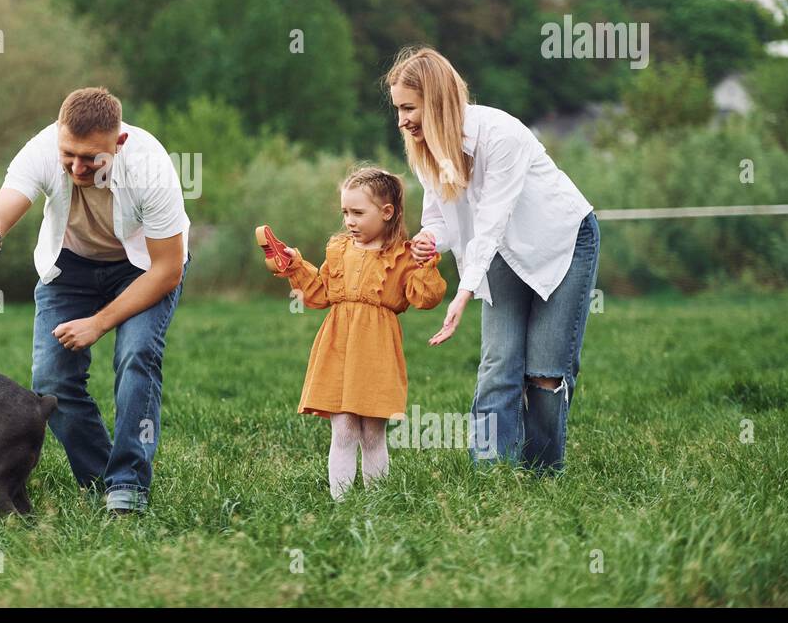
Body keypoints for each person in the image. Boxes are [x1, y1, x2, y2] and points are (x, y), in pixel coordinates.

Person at [0, 87, 190, 514]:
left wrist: (99, 323)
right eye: (69, 154)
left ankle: (128, 487)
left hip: (143, 268)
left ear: (118, 143)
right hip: (71, 268)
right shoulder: (45, 149)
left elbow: (167, 269)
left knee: (137, 355)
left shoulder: (151, 166)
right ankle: (103, 478)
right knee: (50, 381)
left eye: (90, 158)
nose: (77, 166)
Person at [386, 45, 600, 474]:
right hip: (499, 252)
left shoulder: (500, 134)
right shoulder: (428, 149)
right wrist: (430, 239)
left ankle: (541, 473)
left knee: (544, 371)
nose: (402, 120)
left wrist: (463, 294)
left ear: (437, 100)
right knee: (499, 363)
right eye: (397, 110)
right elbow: (442, 219)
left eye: (409, 108)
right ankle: (491, 476)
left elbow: (491, 218)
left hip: (560, 243)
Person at [257, 166, 446, 499]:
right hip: (338, 348)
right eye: (345, 212)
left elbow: (426, 298)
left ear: (387, 212)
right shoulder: (339, 250)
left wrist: (427, 264)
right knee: (343, 429)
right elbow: (319, 294)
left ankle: (377, 503)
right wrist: (296, 266)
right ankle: (341, 506)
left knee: (373, 432)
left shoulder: (404, 256)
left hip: (377, 353)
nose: (350, 221)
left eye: (358, 212)